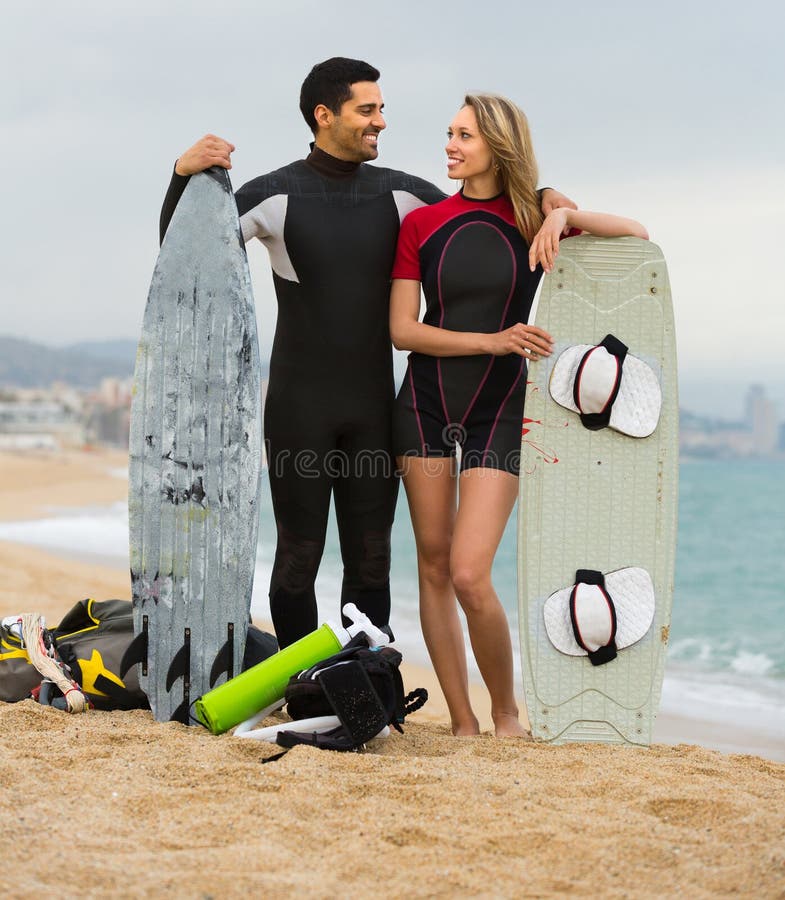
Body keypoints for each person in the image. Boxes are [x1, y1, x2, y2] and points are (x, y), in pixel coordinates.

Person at [159, 60, 575, 650]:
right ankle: (301, 680)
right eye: (367, 110)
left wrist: (546, 196)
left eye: (381, 109)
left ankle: (366, 679)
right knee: (298, 557)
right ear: (324, 115)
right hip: (299, 409)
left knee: (373, 559)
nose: (381, 120)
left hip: (377, 411)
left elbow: (483, 209)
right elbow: (183, 250)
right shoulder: (276, 193)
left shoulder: (401, 194)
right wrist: (180, 175)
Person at [389, 93, 648, 737]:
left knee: (469, 572)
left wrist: (564, 214)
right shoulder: (422, 224)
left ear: (498, 145)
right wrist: (495, 340)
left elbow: (636, 234)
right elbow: (402, 331)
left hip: (500, 408)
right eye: (449, 134)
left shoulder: (533, 217)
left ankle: (505, 712)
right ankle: (463, 721)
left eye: (464, 136)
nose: (450, 146)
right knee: (432, 566)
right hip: (424, 403)